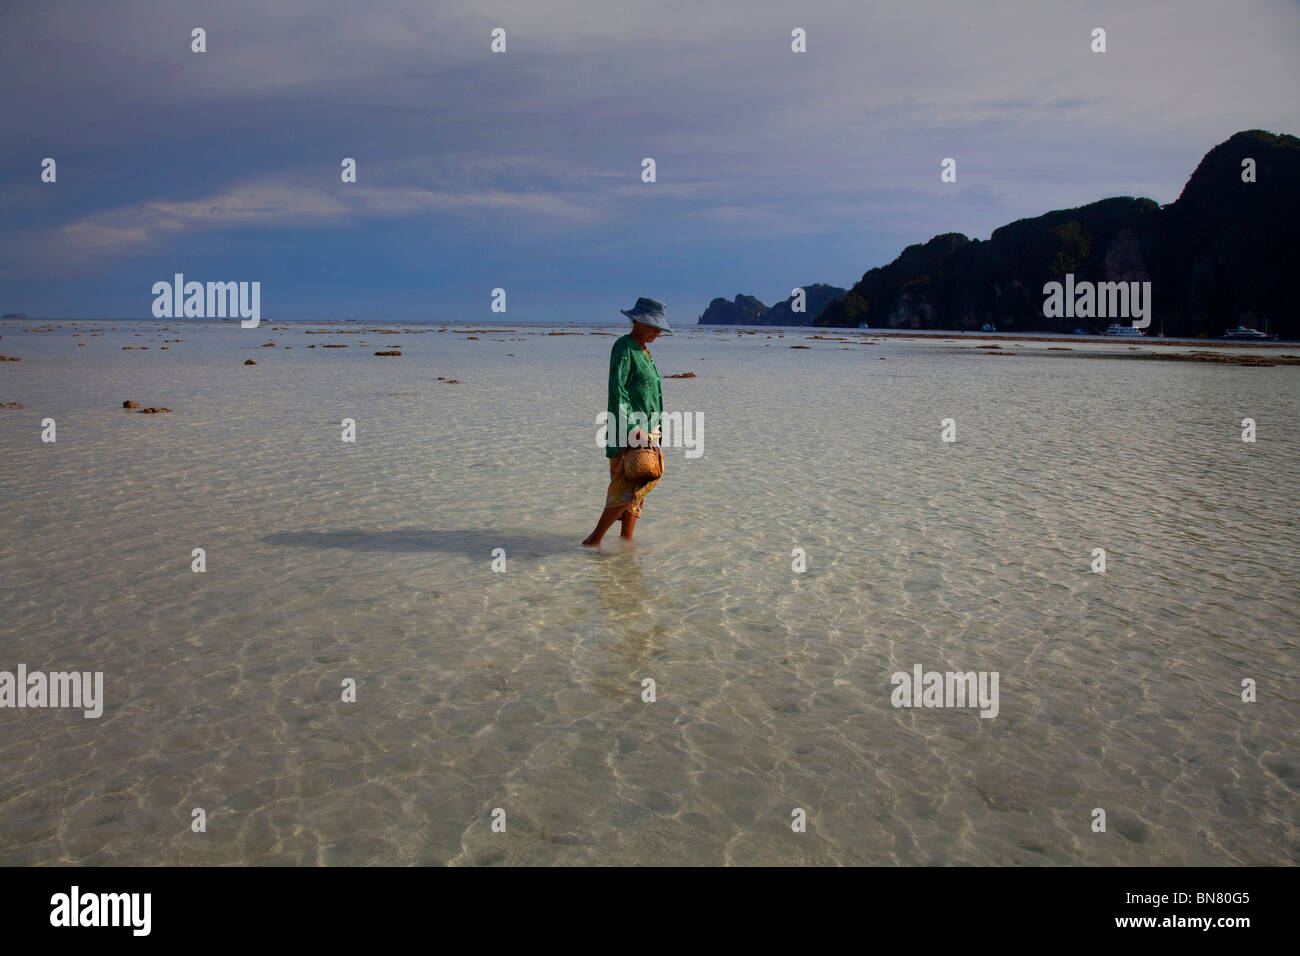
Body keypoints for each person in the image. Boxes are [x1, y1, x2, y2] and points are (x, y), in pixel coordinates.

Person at [582, 297, 670, 546]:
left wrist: (656, 431)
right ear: (638, 321)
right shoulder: (624, 347)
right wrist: (634, 429)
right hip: (629, 430)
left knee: (640, 484)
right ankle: (594, 540)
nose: (657, 332)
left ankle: (625, 544)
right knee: (625, 486)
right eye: (653, 326)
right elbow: (617, 391)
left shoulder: (644, 351)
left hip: (650, 430)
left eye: (660, 328)